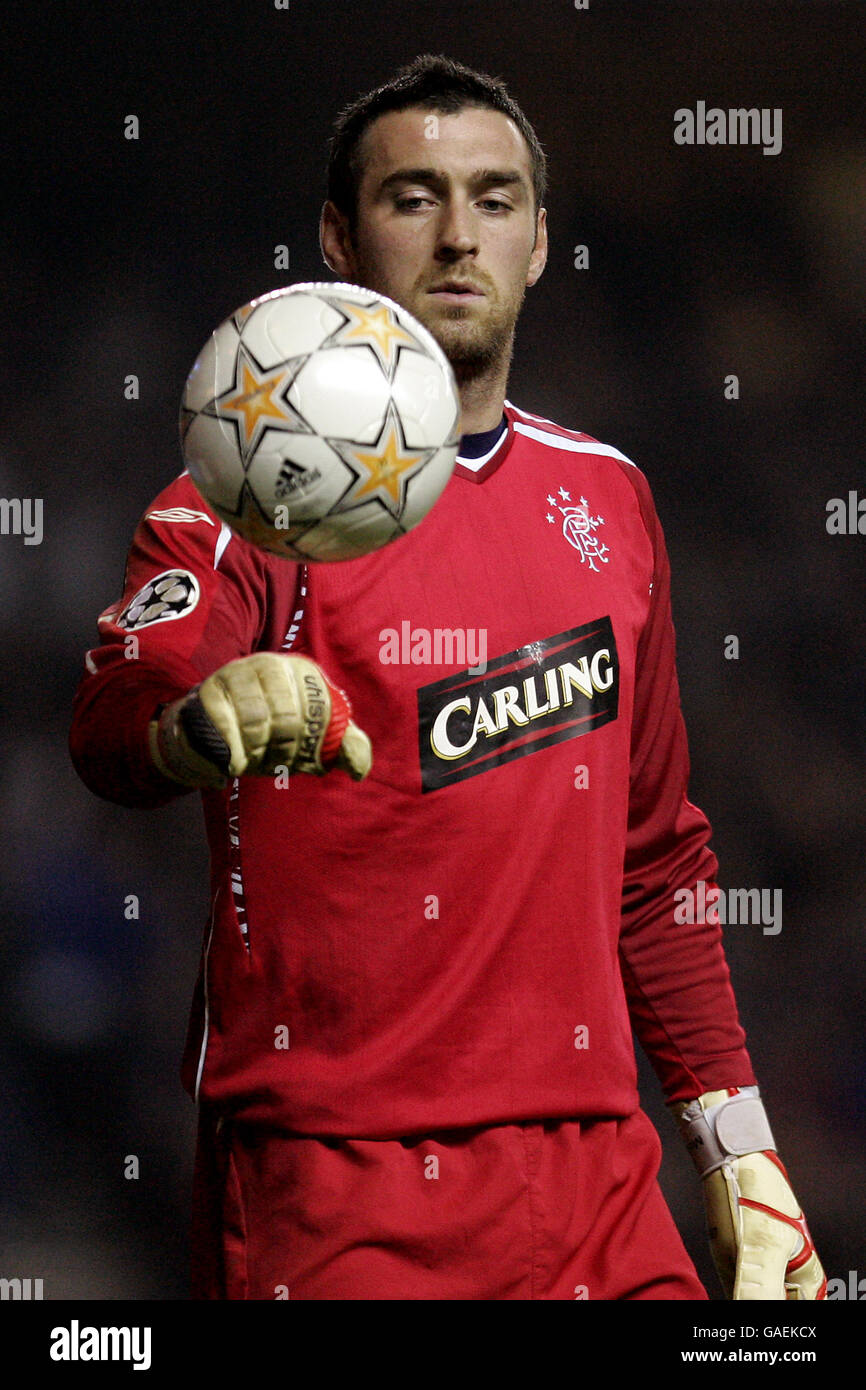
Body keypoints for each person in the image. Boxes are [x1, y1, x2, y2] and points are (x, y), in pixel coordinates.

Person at [70, 54, 825, 1301]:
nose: (459, 236)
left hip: (597, 1184)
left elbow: (655, 859)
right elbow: (112, 721)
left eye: (494, 198)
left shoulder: (607, 497)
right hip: (335, 1187)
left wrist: (736, 1149)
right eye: (413, 197)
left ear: (538, 242)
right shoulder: (247, 494)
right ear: (337, 236)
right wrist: (194, 725)